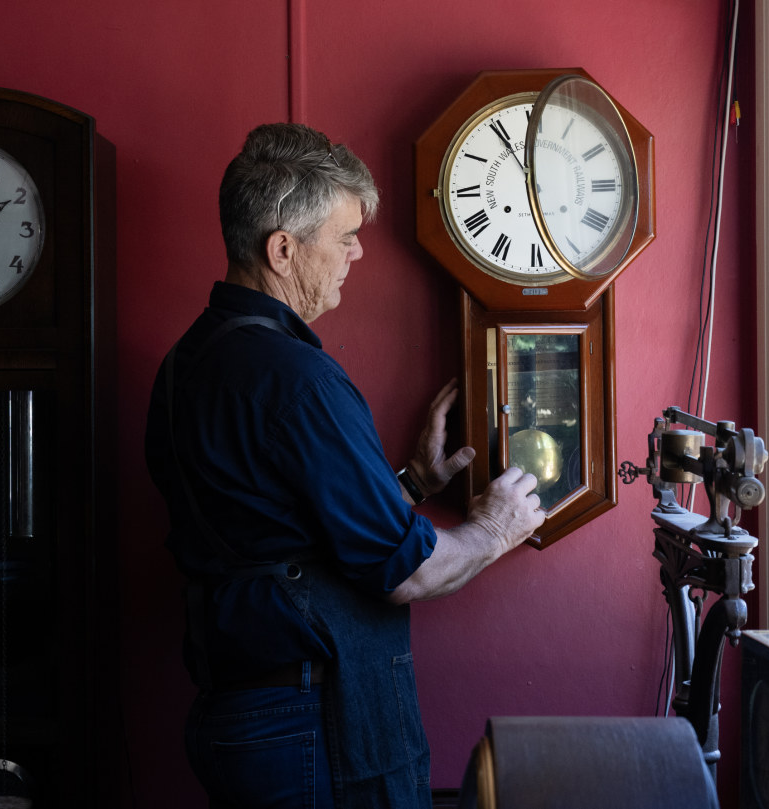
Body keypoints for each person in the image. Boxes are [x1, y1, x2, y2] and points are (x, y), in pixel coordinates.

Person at [144, 123, 546, 808]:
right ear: (282, 250)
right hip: (308, 726)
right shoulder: (299, 379)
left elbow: (270, 528)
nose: (357, 252)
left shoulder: (184, 364)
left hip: (238, 717)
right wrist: (494, 528)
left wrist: (412, 483)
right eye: (344, 236)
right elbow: (407, 571)